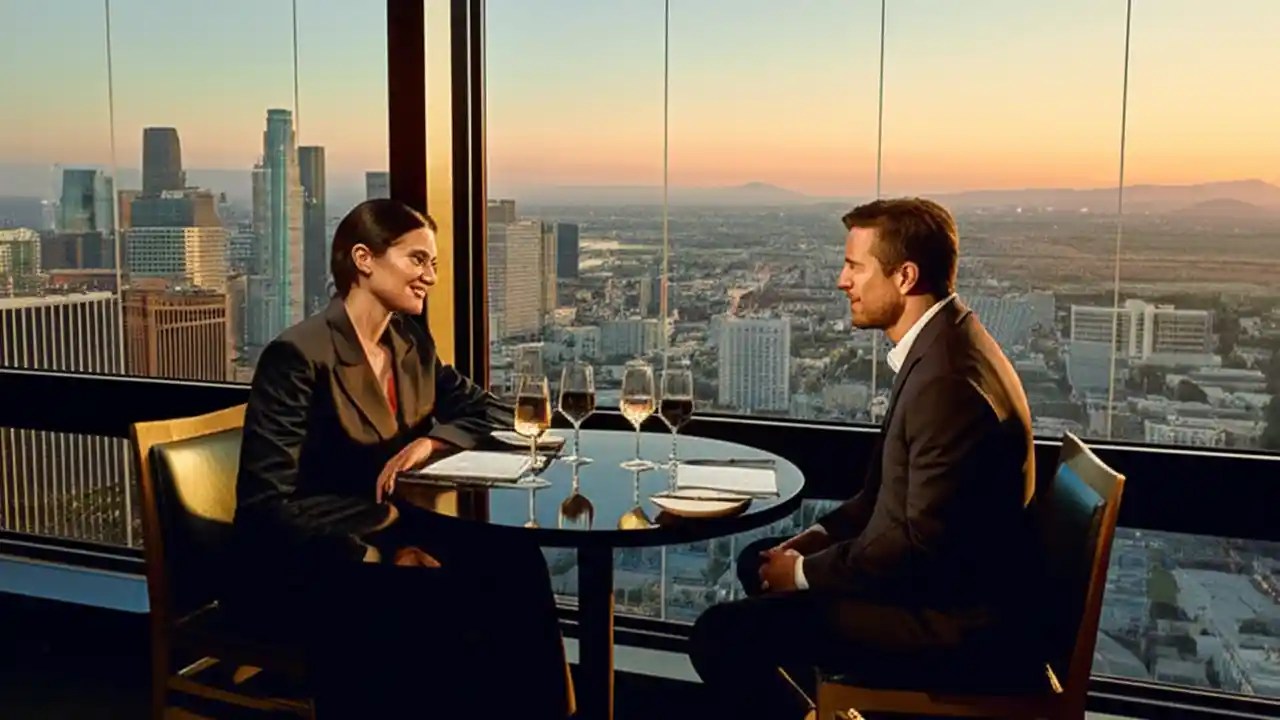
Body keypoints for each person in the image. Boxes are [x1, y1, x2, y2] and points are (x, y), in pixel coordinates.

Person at [688, 198, 1044, 718]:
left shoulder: (946, 383)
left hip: (949, 626)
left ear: (905, 276)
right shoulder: (946, 344)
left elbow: (919, 547)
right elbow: (881, 496)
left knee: (719, 636)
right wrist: (813, 542)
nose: (842, 281)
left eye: (855, 267)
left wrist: (804, 573)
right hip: (941, 591)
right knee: (758, 563)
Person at [229, 199, 572, 718]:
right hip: (322, 556)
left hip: (397, 528)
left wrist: (436, 441)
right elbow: (264, 504)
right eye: (417, 259)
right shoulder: (298, 356)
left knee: (514, 559)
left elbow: (493, 410)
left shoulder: (409, 342)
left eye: (433, 263)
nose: (430, 276)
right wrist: (375, 555)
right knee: (444, 597)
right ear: (364, 259)